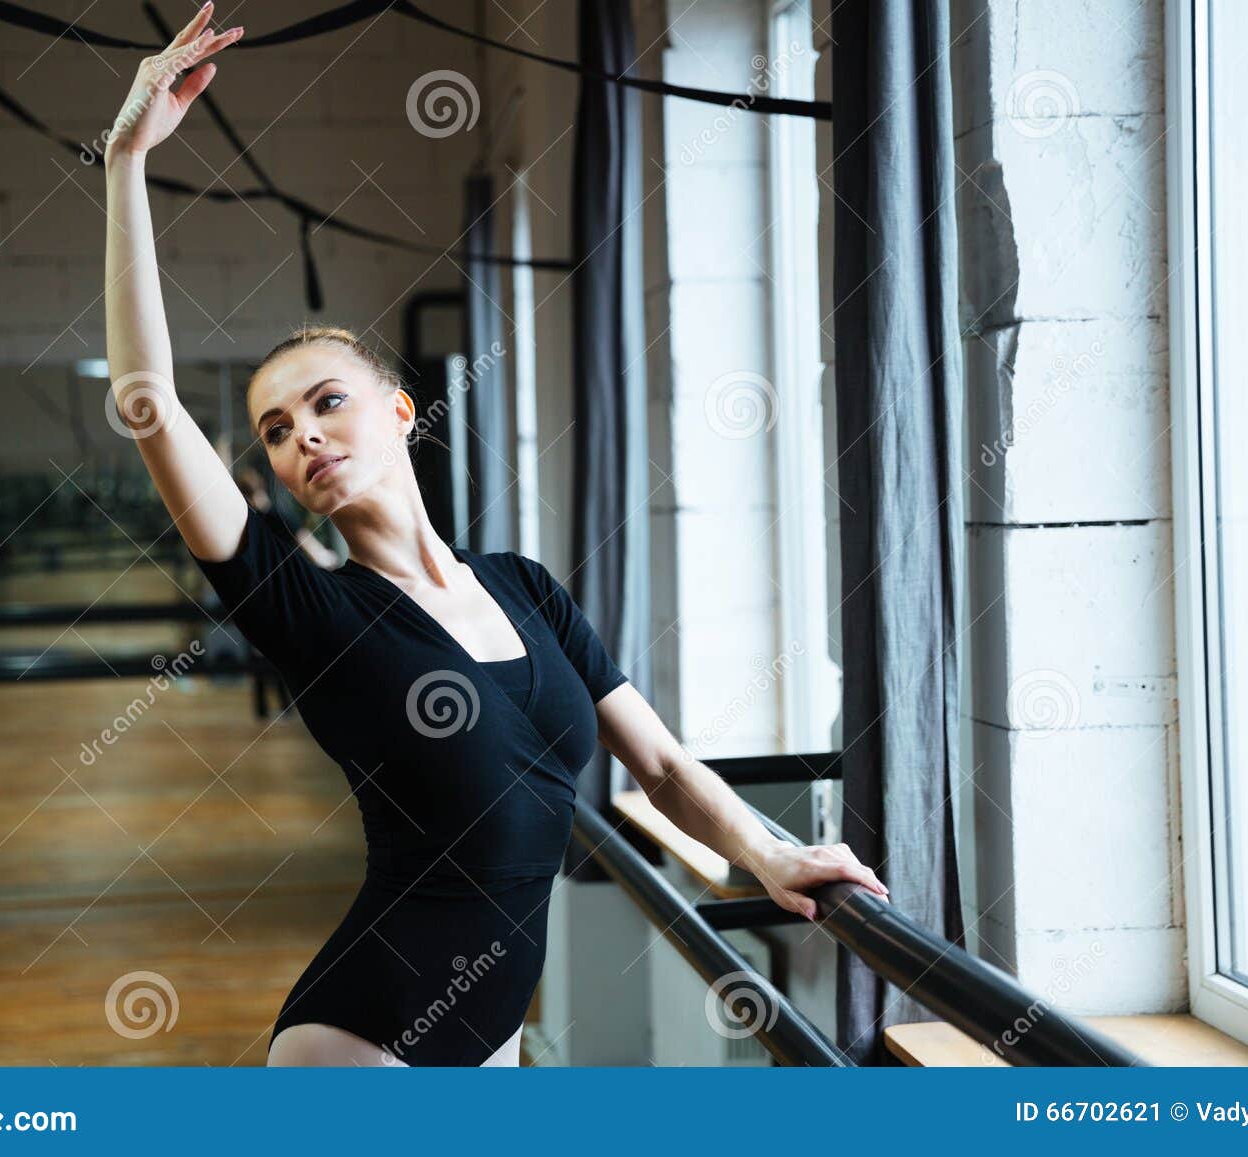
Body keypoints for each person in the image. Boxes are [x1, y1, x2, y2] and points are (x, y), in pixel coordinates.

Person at [102, 2, 889, 1069]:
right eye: (276, 432)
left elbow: (660, 763)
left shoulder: (524, 585)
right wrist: (126, 163)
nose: (303, 437)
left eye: (327, 403)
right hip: (362, 1042)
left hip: (495, 1040)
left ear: (399, 412)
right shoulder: (311, 609)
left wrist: (768, 852)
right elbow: (148, 401)